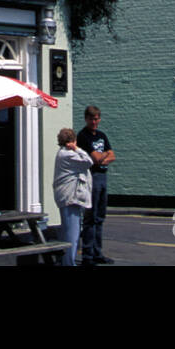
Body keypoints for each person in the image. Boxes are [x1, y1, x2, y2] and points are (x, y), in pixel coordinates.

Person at [77, 105, 116, 265]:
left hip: (102, 177)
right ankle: (88, 255)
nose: (94, 122)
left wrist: (104, 156)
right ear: (86, 119)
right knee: (90, 218)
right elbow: (95, 158)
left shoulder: (101, 135)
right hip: (91, 177)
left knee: (100, 217)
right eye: (91, 119)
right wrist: (103, 156)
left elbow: (112, 155)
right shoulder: (83, 136)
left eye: (96, 118)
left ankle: (98, 252)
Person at [52, 127, 93, 266]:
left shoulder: (62, 153)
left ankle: (65, 261)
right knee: (72, 235)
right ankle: (69, 263)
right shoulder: (68, 155)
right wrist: (78, 149)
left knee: (69, 231)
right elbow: (88, 162)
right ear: (72, 141)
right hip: (70, 197)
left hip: (68, 197)